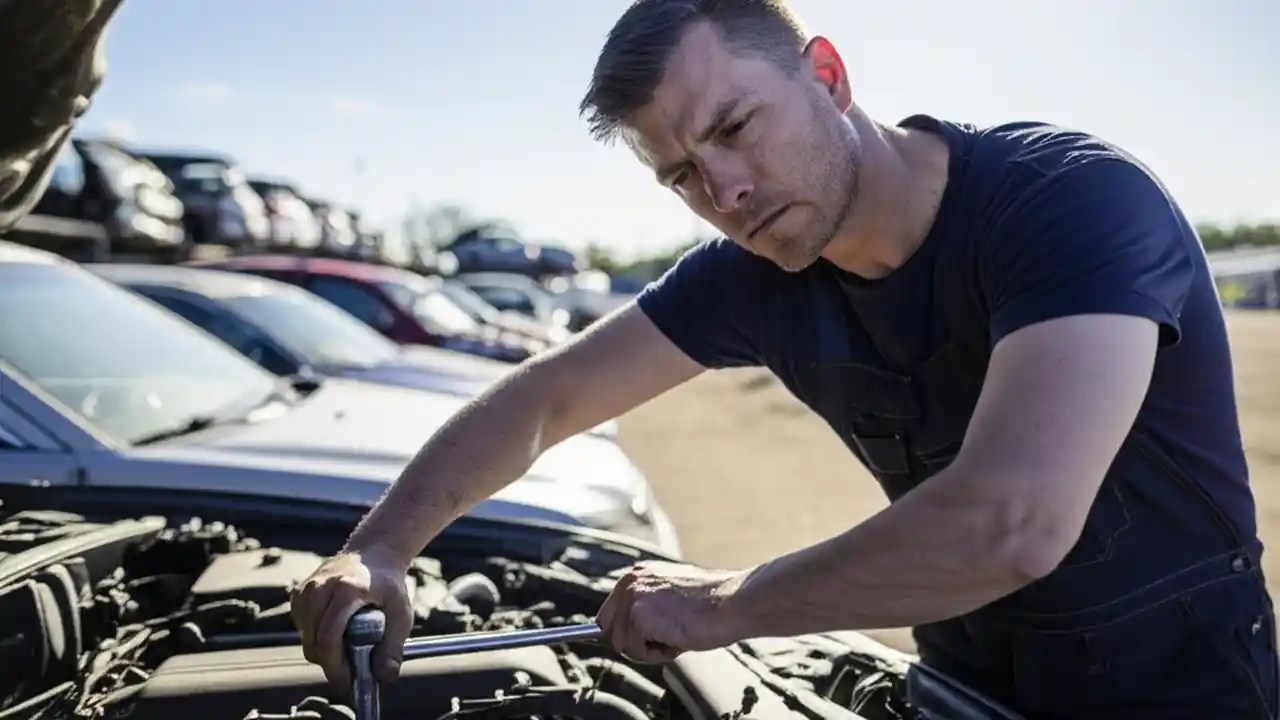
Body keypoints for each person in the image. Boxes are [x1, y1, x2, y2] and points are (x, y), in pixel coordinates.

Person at [290, 1, 1276, 716]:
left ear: (828, 76)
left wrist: (724, 604)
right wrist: (379, 546)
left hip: (1177, 683)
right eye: (680, 172)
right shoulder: (751, 274)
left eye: (734, 127)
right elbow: (546, 400)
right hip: (964, 680)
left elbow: (1009, 522)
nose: (721, 188)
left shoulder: (1066, 205)